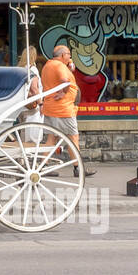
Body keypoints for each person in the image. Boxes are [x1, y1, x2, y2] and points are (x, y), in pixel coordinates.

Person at [40, 44, 93, 176]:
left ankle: (42, 166)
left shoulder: (48, 65)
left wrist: (69, 64)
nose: (70, 57)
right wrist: (64, 92)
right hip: (63, 109)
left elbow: (63, 74)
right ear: (63, 55)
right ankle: (78, 169)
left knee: (51, 138)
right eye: (69, 54)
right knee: (73, 138)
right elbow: (65, 81)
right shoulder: (59, 66)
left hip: (51, 108)